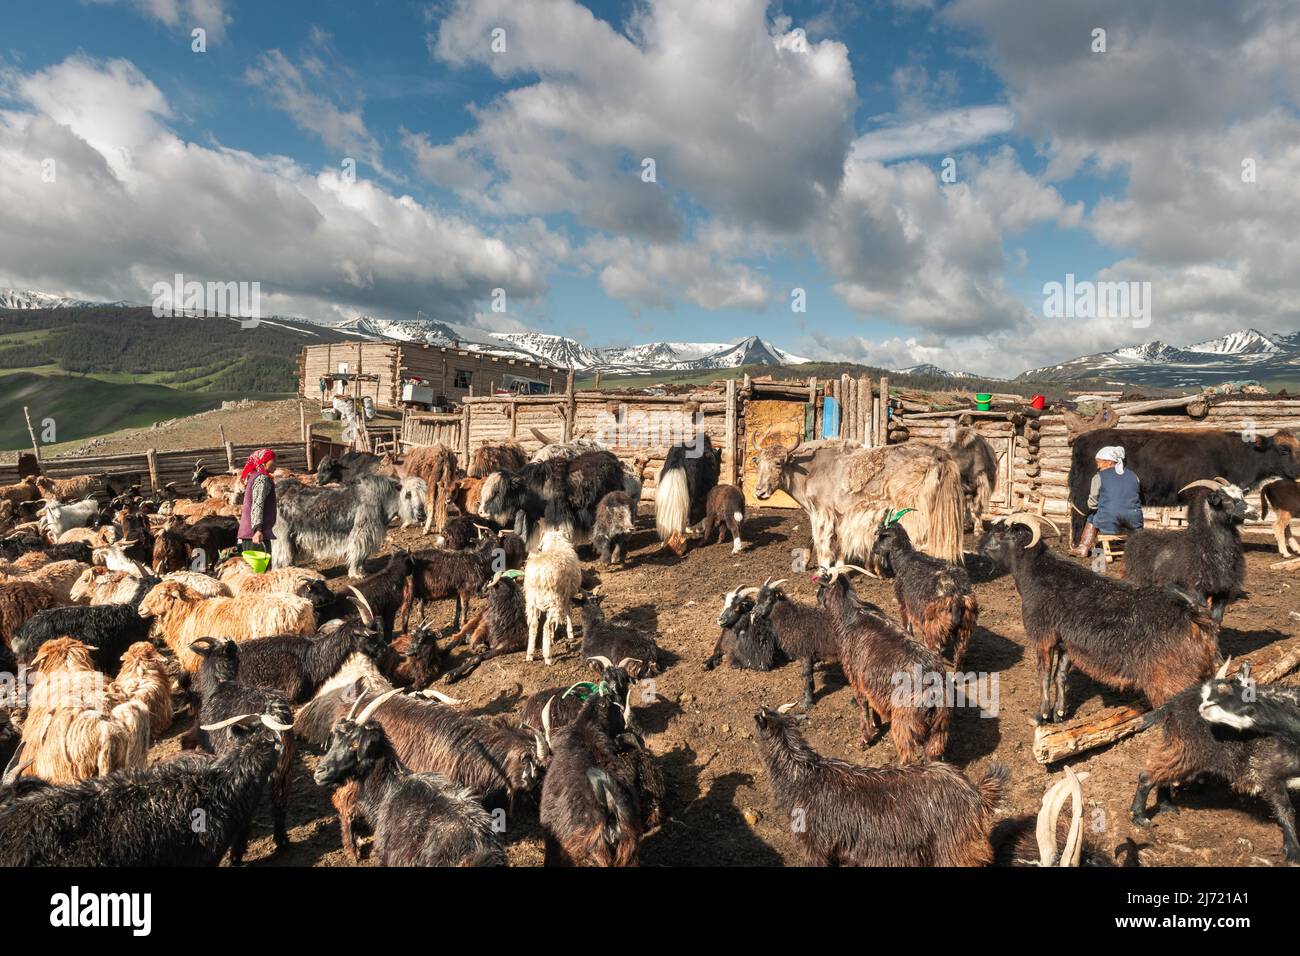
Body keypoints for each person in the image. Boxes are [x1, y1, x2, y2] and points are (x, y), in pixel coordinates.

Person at [1074, 445, 1142, 556]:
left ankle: (1083, 547)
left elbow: (1092, 504)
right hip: (1134, 524)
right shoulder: (1134, 476)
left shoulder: (1099, 476)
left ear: (1110, 462)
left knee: (1092, 516)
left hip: (1110, 523)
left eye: (1099, 462)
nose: (1097, 466)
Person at [237, 447, 277, 551]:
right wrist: (258, 530)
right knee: (261, 567)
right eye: (273, 460)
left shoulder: (255, 476)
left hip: (253, 534)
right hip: (255, 536)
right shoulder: (262, 479)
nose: (276, 464)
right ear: (263, 462)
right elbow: (257, 504)